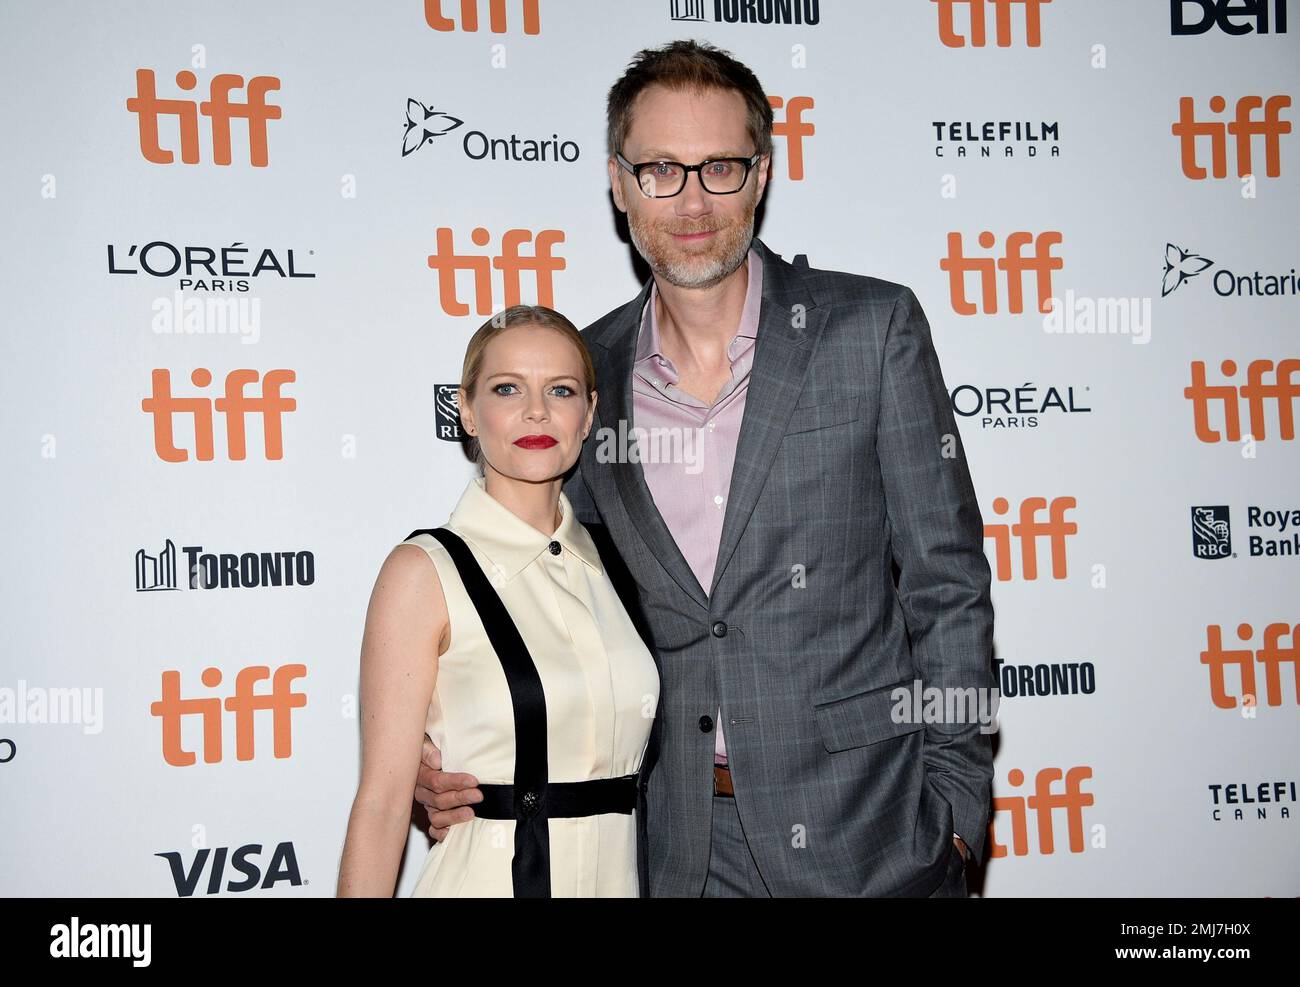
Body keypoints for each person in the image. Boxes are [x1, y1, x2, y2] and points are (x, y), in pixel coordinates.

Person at [417, 39, 994, 898]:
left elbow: (946, 580)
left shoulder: (871, 330)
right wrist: (445, 745)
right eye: (660, 169)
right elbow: (537, 589)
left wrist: (955, 811)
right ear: (619, 182)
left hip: (870, 832)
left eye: (719, 166)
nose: (691, 200)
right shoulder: (585, 374)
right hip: (669, 843)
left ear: (761, 175)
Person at [336, 305, 660, 897]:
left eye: (559, 390)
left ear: (589, 415)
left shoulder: (616, 567)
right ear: (465, 409)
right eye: (507, 388)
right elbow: (382, 806)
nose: (536, 410)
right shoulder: (423, 573)